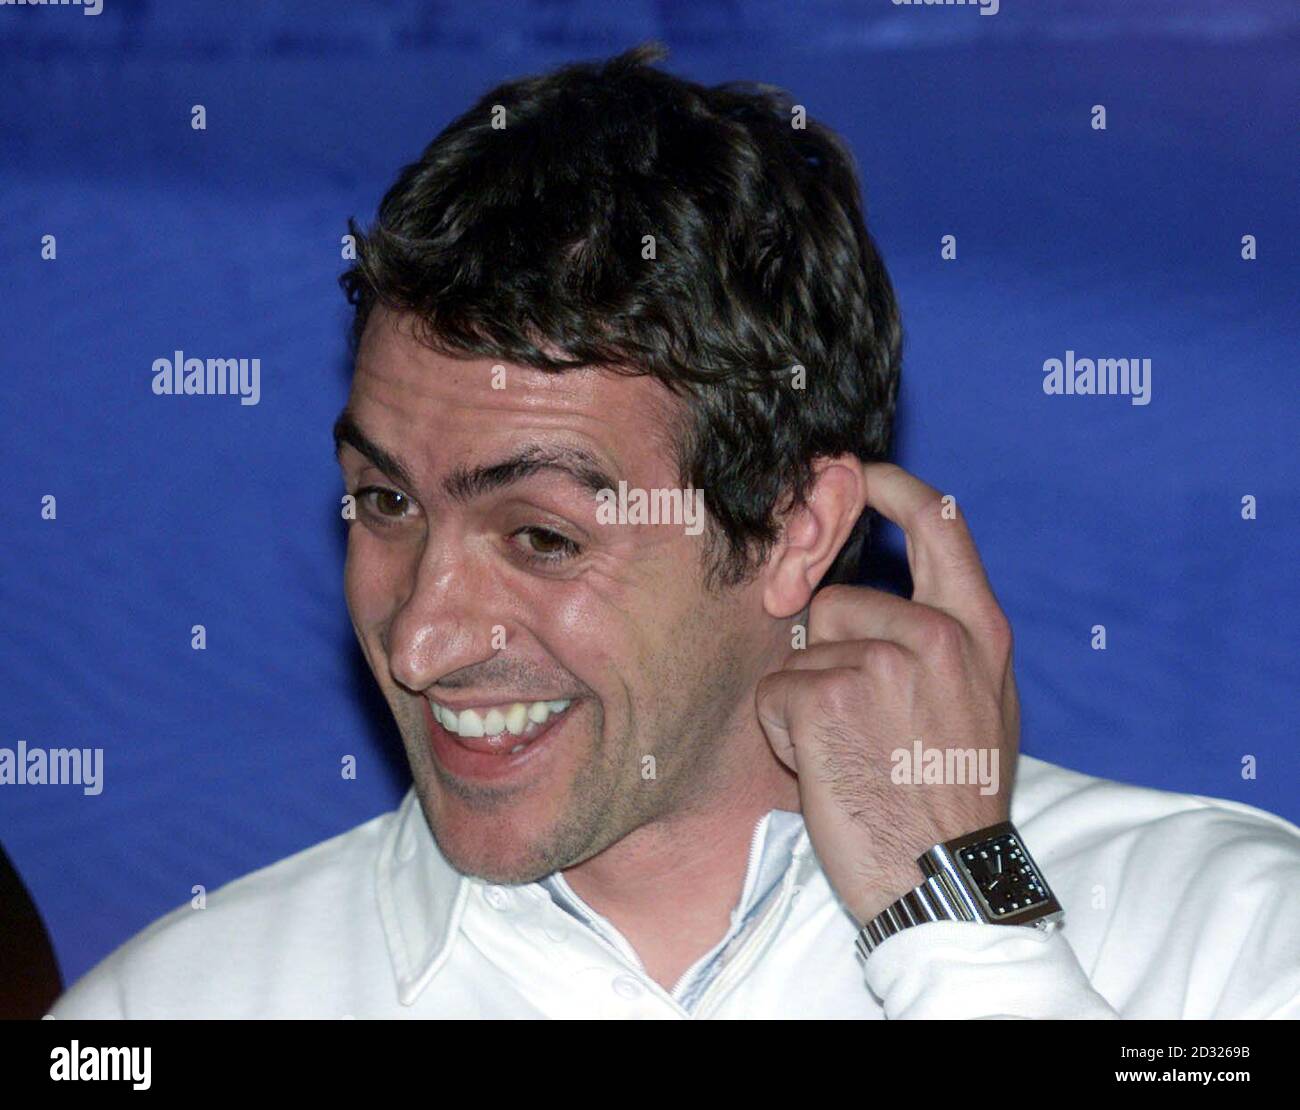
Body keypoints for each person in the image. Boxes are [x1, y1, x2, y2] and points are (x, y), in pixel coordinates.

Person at [51, 44, 1299, 1020]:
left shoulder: (1225, 942)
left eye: (539, 535)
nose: (420, 639)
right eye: (386, 504)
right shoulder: (170, 1011)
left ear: (795, 526)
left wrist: (965, 936)